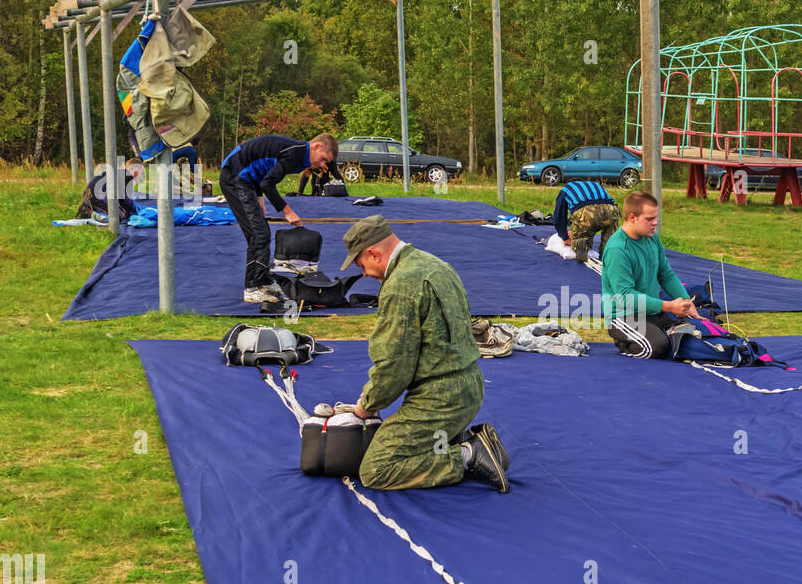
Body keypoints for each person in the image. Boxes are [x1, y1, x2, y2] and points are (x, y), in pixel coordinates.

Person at [342, 215, 511, 493]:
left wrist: (367, 405)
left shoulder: (400, 286)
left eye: (362, 265)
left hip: (440, 400)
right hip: (469, 388)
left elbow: (394, 365)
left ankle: (469, 453)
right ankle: (464, 441)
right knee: (427, 445)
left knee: (376, 468)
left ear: (373, 253)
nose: (364, 274)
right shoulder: (435, 264)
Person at [219, 132, 337, 303]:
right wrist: (287, 211)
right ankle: (252, 288)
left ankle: (264, 281)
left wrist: (259, 200)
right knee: (258, 234)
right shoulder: (296, 153)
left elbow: (261, 172)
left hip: (246, 178)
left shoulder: (300, 156)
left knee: (261, 232)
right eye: (324, 158)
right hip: (234, 176)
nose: (323, 164)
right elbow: (268, 183)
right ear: (317, 146)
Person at [600, 191, 700, 359]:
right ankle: (625, 343)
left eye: (656, 217)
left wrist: (687, 302)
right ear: (632, 217)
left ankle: (655, 332)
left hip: (651, 311)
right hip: (624, 316)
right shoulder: (618, 249)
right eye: (649, 219)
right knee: (658, 347)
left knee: (692, 333)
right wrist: (668, 306)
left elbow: (665, 274)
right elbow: (625, 297)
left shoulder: (651, 238)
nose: (655, 223)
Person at [553, 180, 619, 262]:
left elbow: (559, 217)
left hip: (587, 212)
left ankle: (580, 245)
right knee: (608, 238)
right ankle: (607, 253)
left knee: (584, 233)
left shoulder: (566, 188)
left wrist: (565, 237)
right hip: (611, 210)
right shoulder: (594, 184)